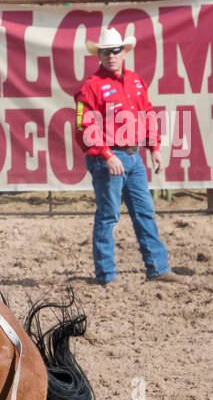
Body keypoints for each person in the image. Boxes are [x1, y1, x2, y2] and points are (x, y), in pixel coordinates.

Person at [74, 27, 181, 285]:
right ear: (99, 55)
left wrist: (154, 147)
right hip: (107, 159)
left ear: (124, 53)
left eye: (116, 51)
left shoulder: (135, 81)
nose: (111, 56)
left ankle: (157, 267)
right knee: (109, 216)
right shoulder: (90, 87)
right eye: (106, 52)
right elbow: (84, 127)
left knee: (144, 211)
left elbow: (147, 114)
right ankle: (107, 274)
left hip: (133, 156)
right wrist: (107, 155)